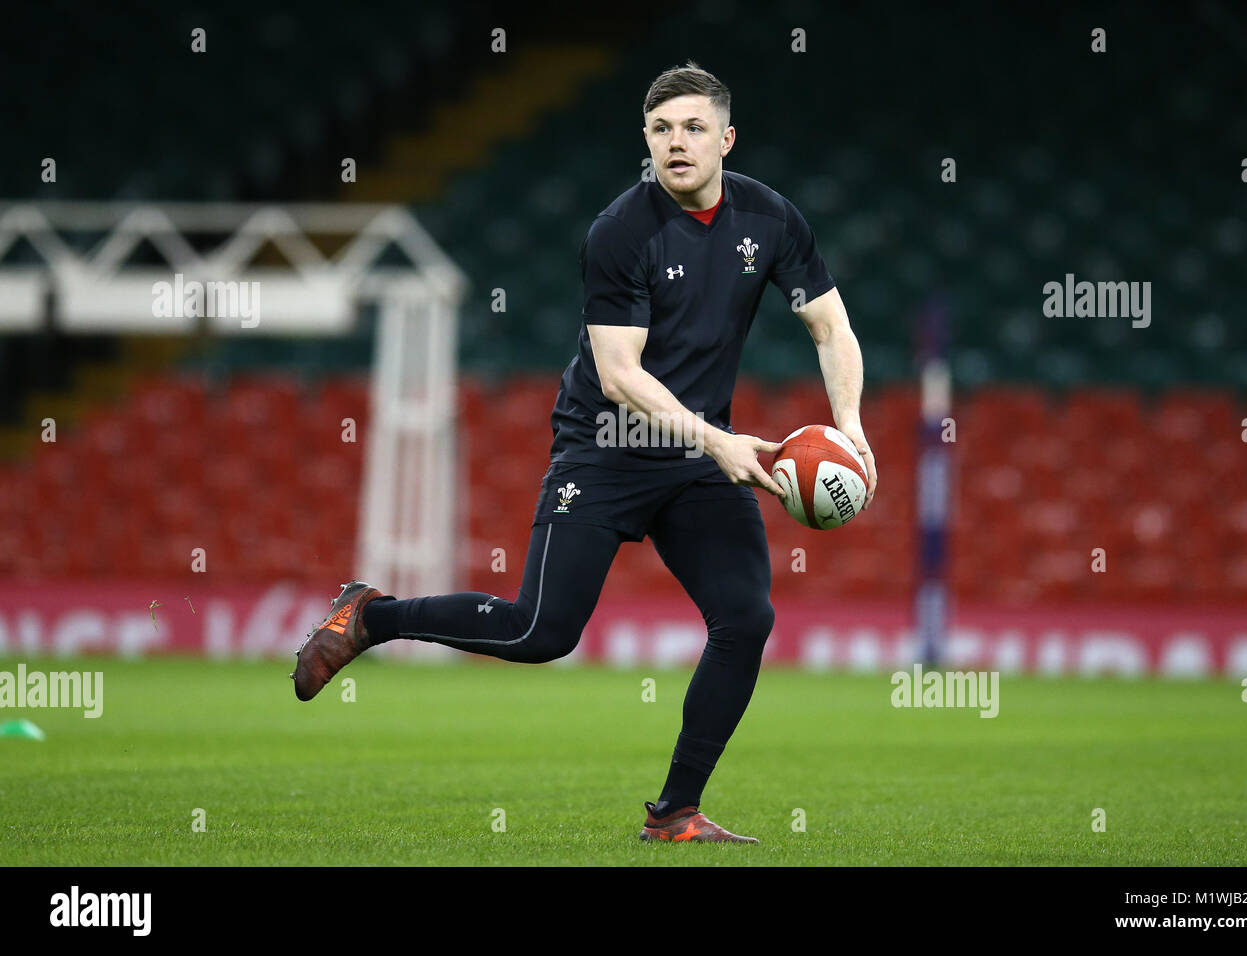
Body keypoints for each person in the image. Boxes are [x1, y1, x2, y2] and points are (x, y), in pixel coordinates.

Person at [292, 61, 877, 843]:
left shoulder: (771, 220)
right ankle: (373, 616)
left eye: (695, 128)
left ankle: (675, 813)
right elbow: (620, 375)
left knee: (745, 618)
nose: (678, 142)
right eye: (663, 129)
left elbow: (831, 327)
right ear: (646, 139)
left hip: (696, 461)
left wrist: (851, 429)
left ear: (726, 139)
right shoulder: (621, 231)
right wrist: (717, 440)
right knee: (543, 632)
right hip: (605, 448)